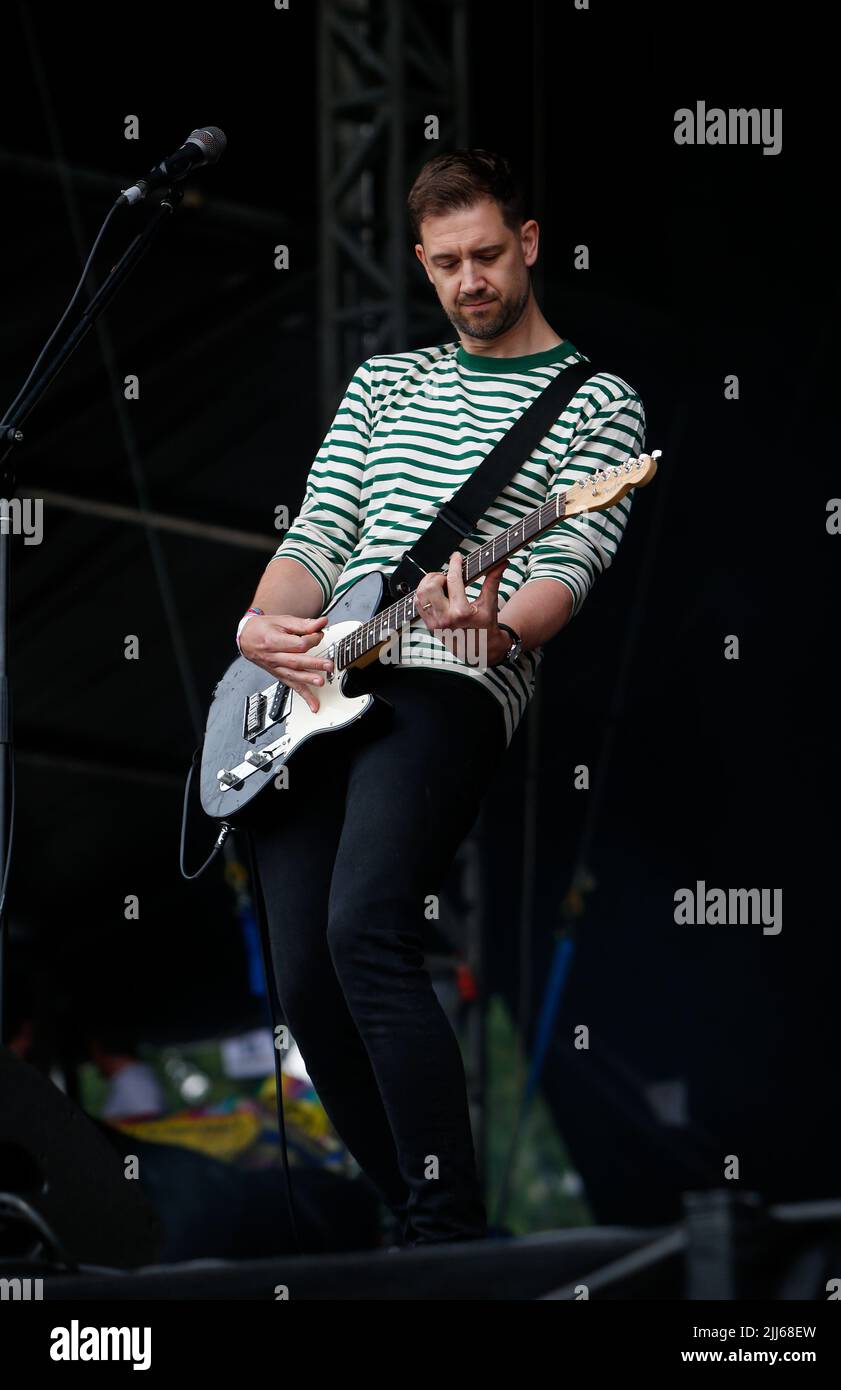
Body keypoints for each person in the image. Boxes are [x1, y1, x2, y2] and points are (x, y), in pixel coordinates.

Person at [239, 149, 646, 1246]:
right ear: (421, 264)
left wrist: (501, 623)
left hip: (449, 679)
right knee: (305, 981)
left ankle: (446, 1220)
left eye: (485, 255)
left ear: (527, 242)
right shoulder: (385, 383)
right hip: (314, 687)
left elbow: (572, 560)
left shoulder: (595, 403)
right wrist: (259, 626)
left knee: (364, 925)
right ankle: (406, 1213)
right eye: (445, 263)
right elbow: (319, 538)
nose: (468, 280)